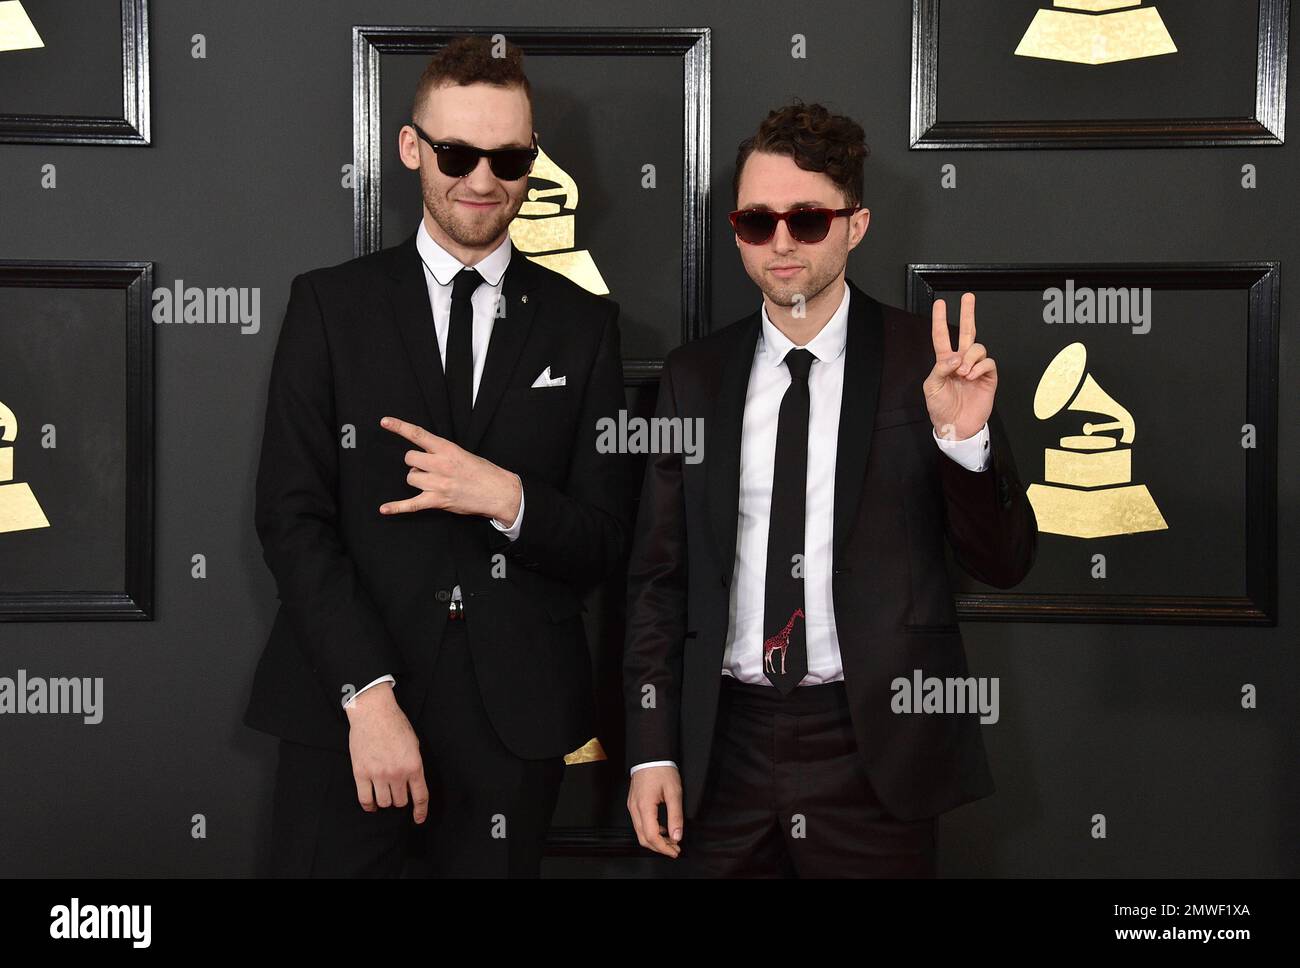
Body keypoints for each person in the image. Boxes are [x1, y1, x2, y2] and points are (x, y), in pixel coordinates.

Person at [245, 35, 628, 877]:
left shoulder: (583, 325)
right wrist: (368, 695)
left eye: (510, 157)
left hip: (513, 727)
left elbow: (605, 538)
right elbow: (290, 517)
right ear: (412, 147)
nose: (483, 180)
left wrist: (507, 498)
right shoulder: (329, 306)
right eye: (457, 152)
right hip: (346, 714)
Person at [623, 101, 1037, 877]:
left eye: (808, 219)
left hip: (875, 749)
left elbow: (1004, 562)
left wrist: (963, 442)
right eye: (756, 220)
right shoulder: (695, 376)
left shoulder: (931, 363)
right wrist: (651, 752)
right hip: (724, 747)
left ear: (856, 225)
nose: (781, 242)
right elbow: (658, 579)